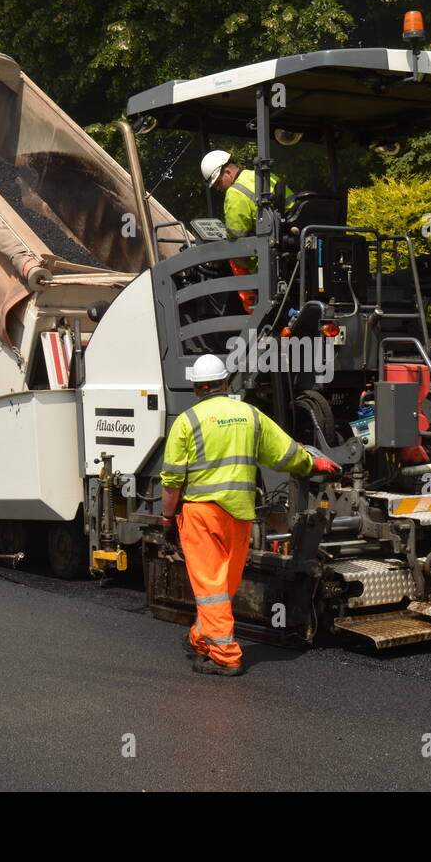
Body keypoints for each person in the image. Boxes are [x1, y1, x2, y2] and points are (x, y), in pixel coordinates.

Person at [159, 353, 338, 676]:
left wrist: (168, 518)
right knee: (223, 584)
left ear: (197, 388)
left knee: (211, 587)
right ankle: (202, 637)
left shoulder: (187, 421)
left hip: (201, 514)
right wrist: (314, 463)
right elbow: (284, 453)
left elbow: (171, 480)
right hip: (239, 514)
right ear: (226, 384)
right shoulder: (250, 415)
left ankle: (225, 655)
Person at [200, 151, 295, 313]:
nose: (218, 188)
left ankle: (252, 310)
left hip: (266, 261)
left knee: (233, 256)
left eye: (218, 182)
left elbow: (236, 236)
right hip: (291, 250)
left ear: (228, 172)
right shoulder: (266, 177)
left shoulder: (235, 192)